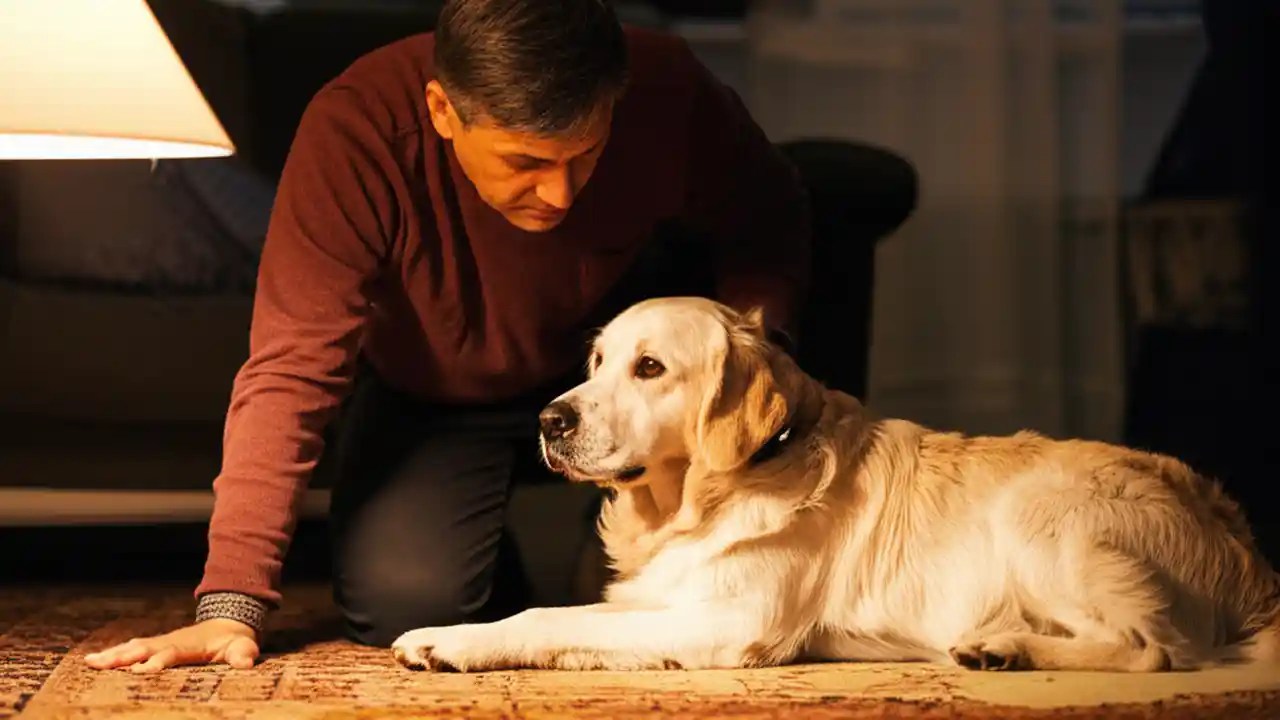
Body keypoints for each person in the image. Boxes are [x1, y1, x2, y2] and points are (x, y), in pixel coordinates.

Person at [84, 0, 810, 673]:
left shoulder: (667, 86)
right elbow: (289, 368)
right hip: (436, 397)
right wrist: (231, 602)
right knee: (407, 607)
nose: (560, 193)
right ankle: (517, 566)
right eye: (526, 162)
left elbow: (770, 215)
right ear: (441, 111)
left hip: (639, 387)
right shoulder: (355, 131)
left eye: (586, 153)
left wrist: (748, 368)